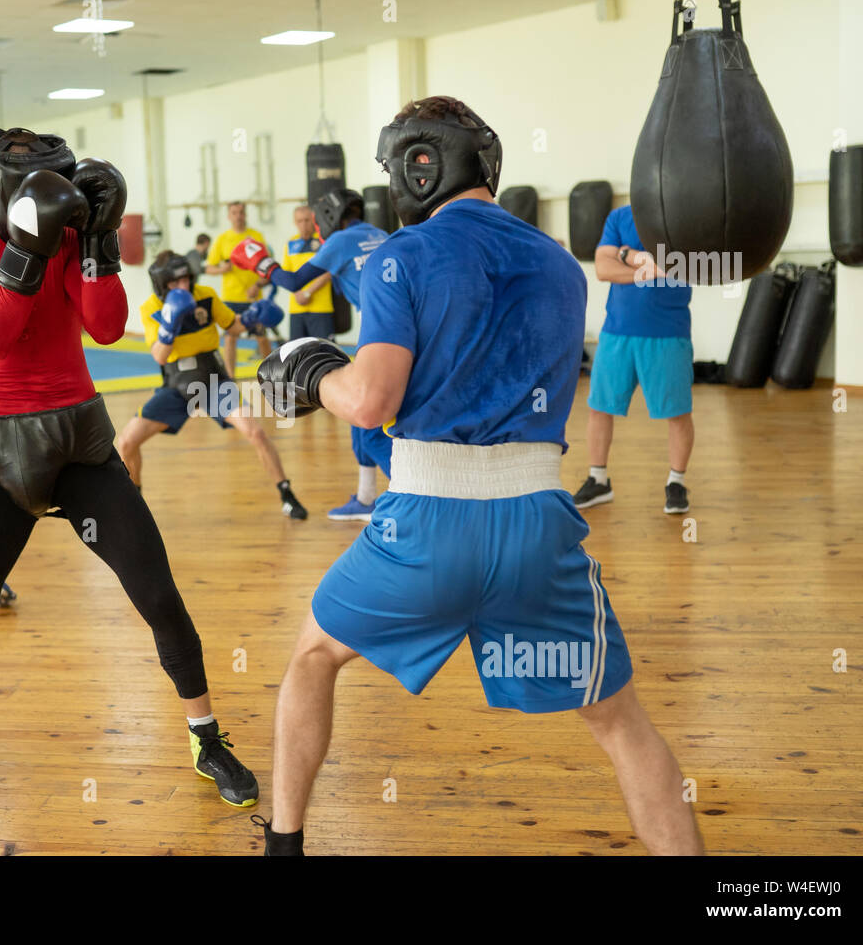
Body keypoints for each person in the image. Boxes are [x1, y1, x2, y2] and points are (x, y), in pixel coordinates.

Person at [250, 96, 703, 857]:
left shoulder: (404, 255)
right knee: (622, 724)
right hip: (538, 523)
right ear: (486, 163)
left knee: (313, 657)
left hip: (423, 525)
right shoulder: (561, 264)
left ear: (411, 168)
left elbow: (370, 400)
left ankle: (284, 847)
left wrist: (312, 369)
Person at [0, 127, 258, 806]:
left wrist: (97, 240)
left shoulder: (73, 236)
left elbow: (104, 327)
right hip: (0, 451)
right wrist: (29, 249)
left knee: (157, 593)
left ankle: (207, 737)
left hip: (81, 441)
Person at [230, 187, 390, 522]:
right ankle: (366, 497)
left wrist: (261, 262)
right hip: (399, 332)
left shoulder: (340, 241)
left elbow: (292, 281)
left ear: (328, 216)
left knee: (370, 428)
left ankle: (413, 495)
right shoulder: (379, 233)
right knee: (362, 425)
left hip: (381, 336)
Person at [114, 250, 307, 520]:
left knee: (256, 432)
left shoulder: (205, 294)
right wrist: (170, 323)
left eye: (186, 280)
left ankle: (286, 494)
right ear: (162, 284)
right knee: (126, 442)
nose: (183, 286)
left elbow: (233, 326)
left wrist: (252, 318)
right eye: (175, 282)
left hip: (213, 381)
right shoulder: (151, 309)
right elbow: (158, 355)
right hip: (176, 386)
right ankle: (135, 505)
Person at [572, 204, 694, 515]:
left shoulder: (687, 215)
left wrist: (626, 256)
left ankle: (676, 483)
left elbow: (680, 268)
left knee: (677, 413)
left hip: (668, 333)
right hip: (617, 331)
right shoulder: (620, 217)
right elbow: (602, 269)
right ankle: (598, 480)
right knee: (599, 408)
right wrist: (644, 266)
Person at [205, 202, 271, 377]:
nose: (238, 216)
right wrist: (222, 269)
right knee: (230, 338)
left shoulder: (256, 236)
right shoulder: (222, 239)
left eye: (241, 212)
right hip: (231, 297)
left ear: (246, 214)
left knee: (262, 337)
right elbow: (209, 267)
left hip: (254, 297)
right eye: (234, 213)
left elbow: (267, 267)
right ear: (229, 216)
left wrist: (257, 285)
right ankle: (230, 377)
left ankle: (272, 375)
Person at [279, 206, 333, 340]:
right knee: (297, 354)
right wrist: (298, 293)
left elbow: (329, 271)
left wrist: (308, 292)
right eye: (299, 221)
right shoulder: (290, 244)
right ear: (294, 222)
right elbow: (286, 273)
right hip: (296, 309)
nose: (303, 224)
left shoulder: (324, 242)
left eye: (306, 220)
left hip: (321, 308)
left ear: (313, 220)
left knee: (325, 352)